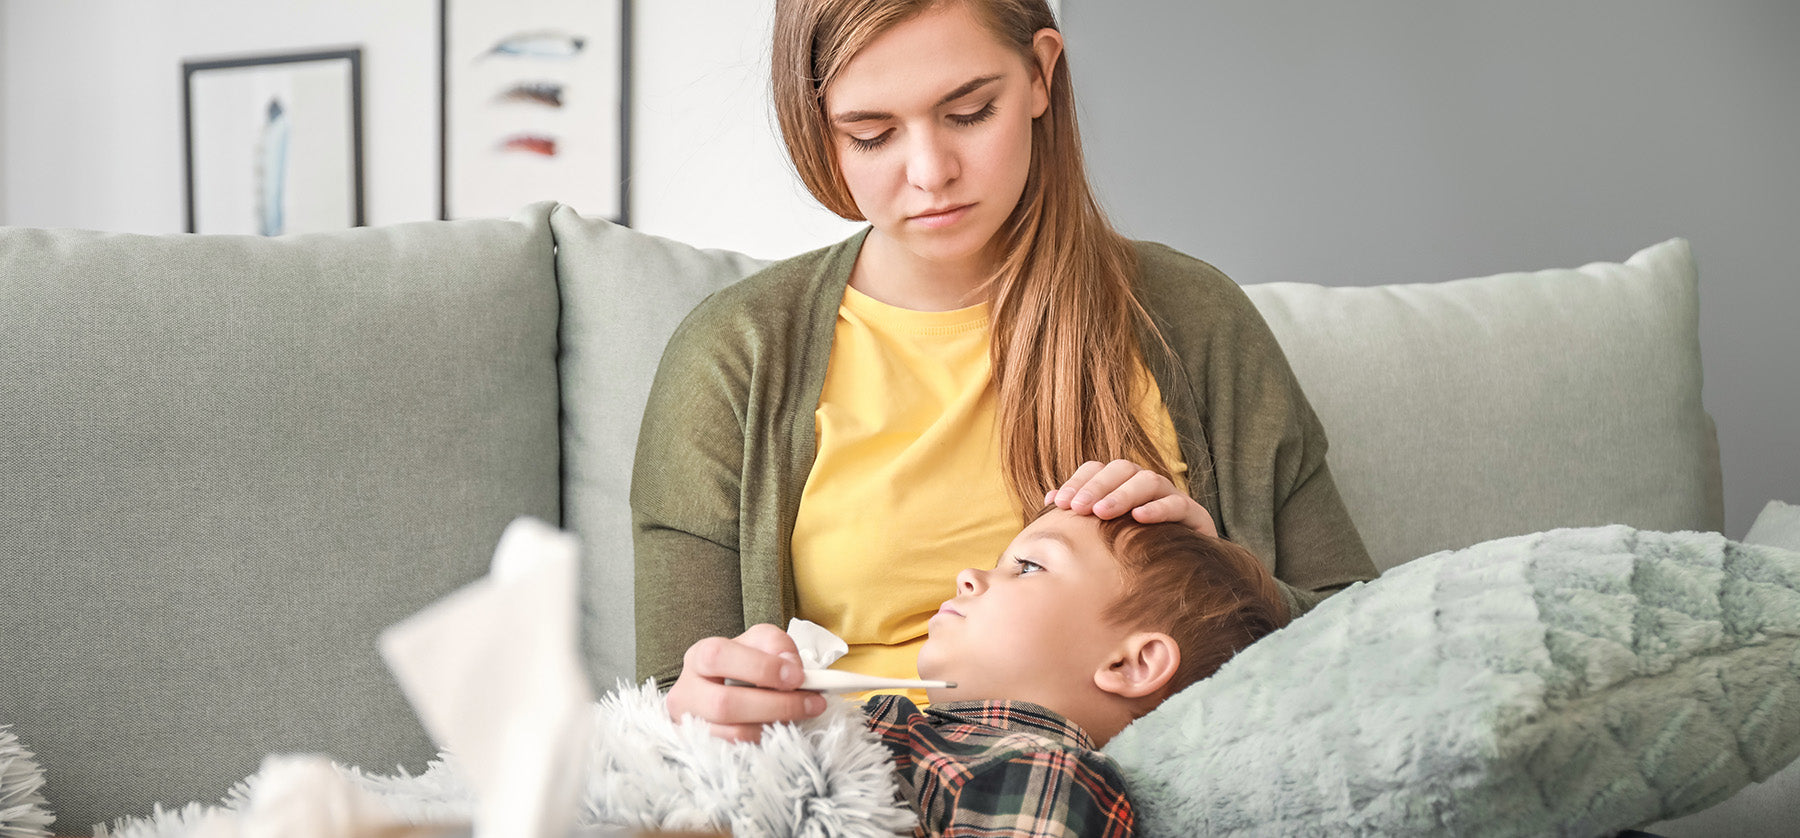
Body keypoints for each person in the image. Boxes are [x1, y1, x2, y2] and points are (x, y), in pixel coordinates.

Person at [632, 0, 1375, 736]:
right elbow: (669, 703)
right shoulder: (734, 357)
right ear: (819, 129)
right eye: (871, 135)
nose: (930, 173)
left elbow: (1376, 640)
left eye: (969, 113)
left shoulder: (1192, 318)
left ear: (1041, 74)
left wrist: (1225, 573)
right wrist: (711, 703)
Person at [671, 506, 1291, 835]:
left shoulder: (1037, 769)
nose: (970, 575)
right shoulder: (899, 725)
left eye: (1029, 567)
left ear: (1130, 662)